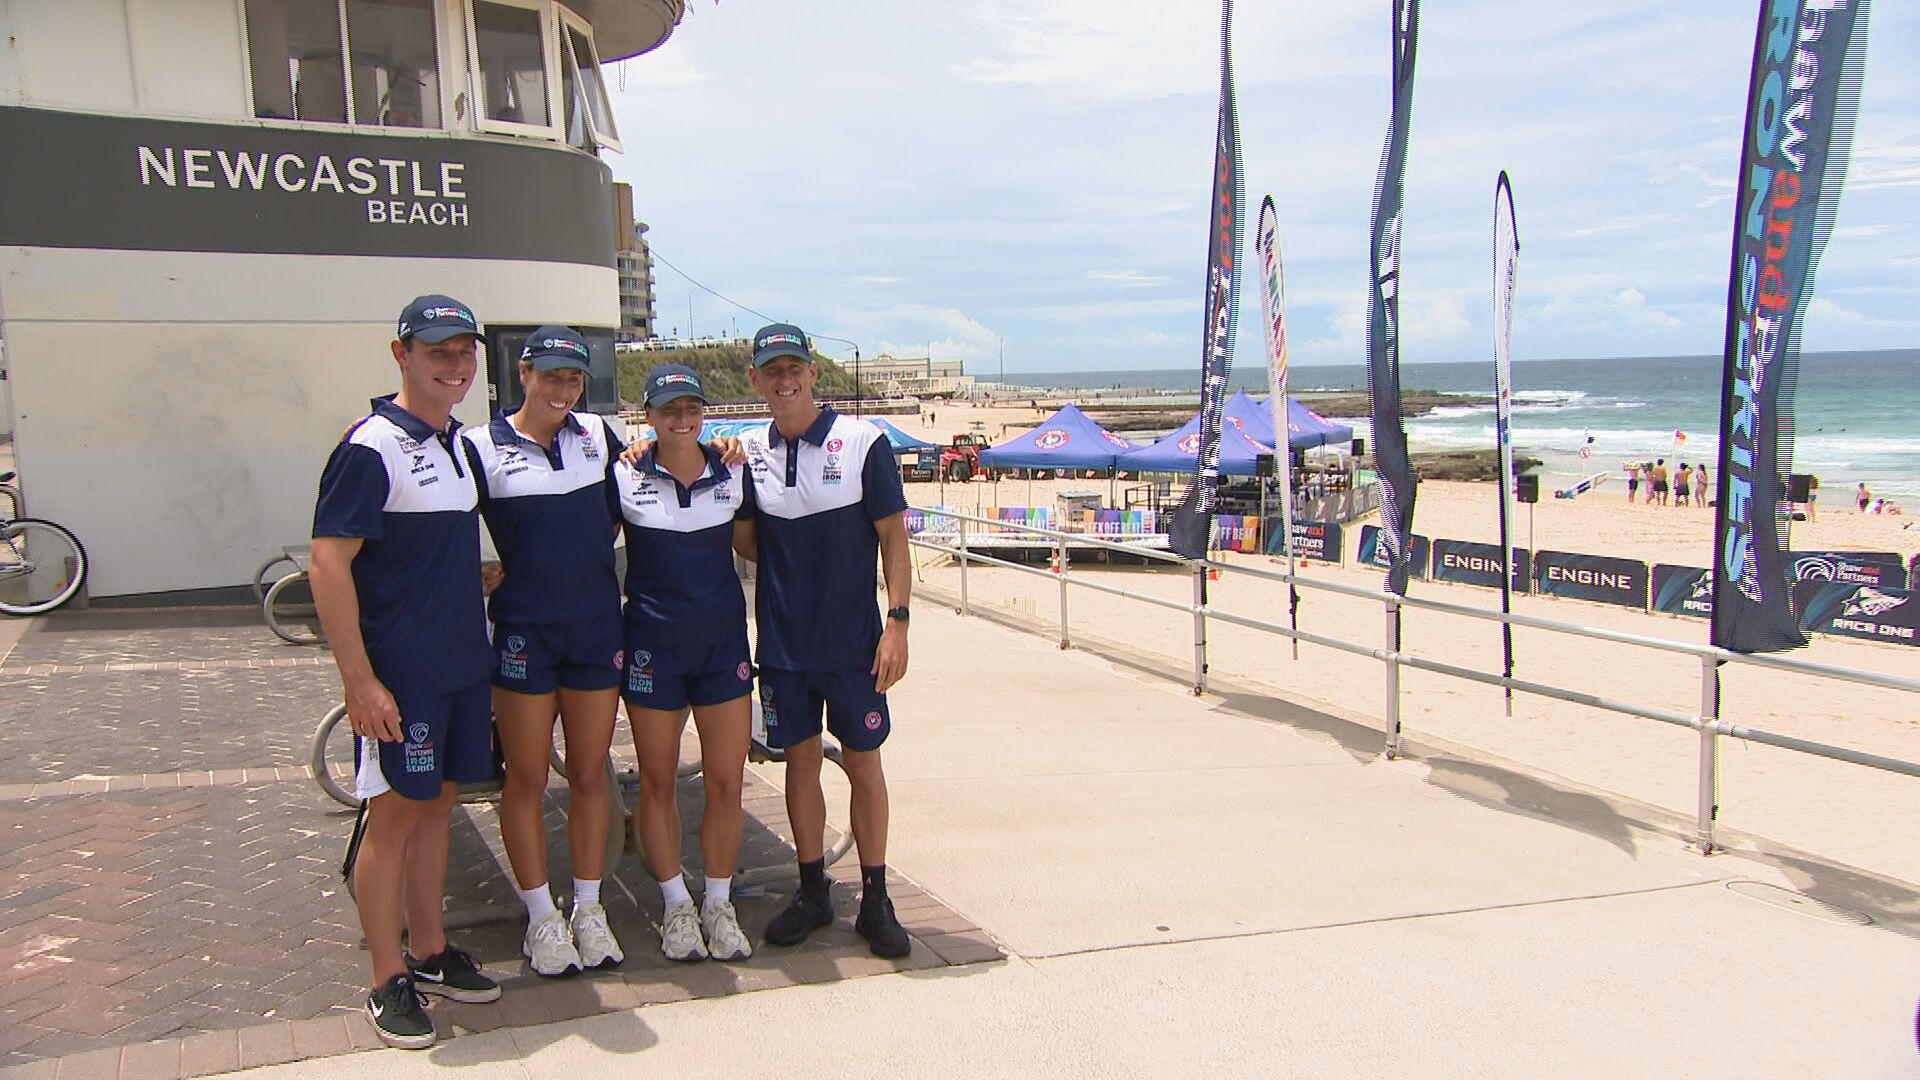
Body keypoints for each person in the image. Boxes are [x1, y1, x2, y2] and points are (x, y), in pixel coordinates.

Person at [309, 295, 501, 1049]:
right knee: (391, 820)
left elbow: (422, 549)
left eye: (464, 353)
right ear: (402, 355)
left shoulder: (454, 441)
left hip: (459, 666)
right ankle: (387, 977)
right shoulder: (370, 445)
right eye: (437, 352)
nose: (454, 366)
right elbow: (329, 564)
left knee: (436, 810)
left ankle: (429, 950)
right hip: (403, 678)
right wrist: (360, 682)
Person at [737, 323, 914, 958]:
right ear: (754, 380)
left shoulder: (863, 442)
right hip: (784, 647)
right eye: (771, 371)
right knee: (801, 766)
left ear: (813, 373)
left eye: (794, 369)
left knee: (864, 765)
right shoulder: (747, 452)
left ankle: (875, 898)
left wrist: (898, 623)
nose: (784, 381)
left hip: (855, 646)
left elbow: (895, 539)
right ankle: (813, 892)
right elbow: (746, 538)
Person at [457, 326, 626, 978]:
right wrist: (477, 568)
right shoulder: (478, 447)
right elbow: (441, 521)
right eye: (550, 375)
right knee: (524, 779)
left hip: (594, 631)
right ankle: (541, 919)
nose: (562, 389)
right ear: (522, 372)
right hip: (525, 634)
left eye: (573, 378)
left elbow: (617, 511)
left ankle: (588, 908)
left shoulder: (599, 437)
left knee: (589, 775)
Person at [613, 364, 759, 962]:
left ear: (704, 413)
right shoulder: (623, 475)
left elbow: (755, 546)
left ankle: (718, 903)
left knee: (727, 782)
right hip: (653, 647)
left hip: (721, 645)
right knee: (657, 782)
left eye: (691, 409)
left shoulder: (730, 470)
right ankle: (676, 905)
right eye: (668, 410)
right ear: (647, 415)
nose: (681, 419)